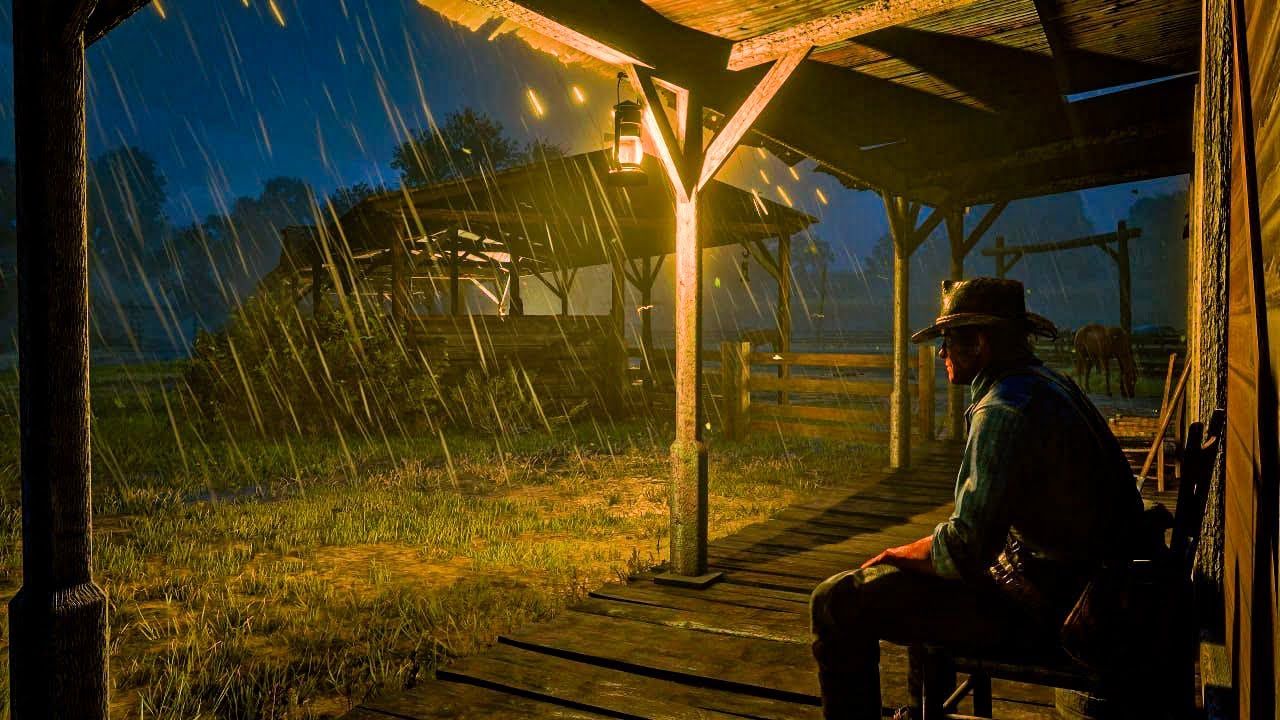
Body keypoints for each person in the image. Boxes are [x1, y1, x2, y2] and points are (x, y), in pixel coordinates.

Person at [808, 278, 1143, 719]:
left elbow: (965, 549)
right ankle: (920, 707)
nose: (943, 353)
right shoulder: (1046, 383)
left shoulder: (1003, 408)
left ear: (980, 343)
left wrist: (895, 553)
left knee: (834, 601)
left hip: (1060, 611)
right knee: (921, 573)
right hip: (1092, 584)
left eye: (948, 341)